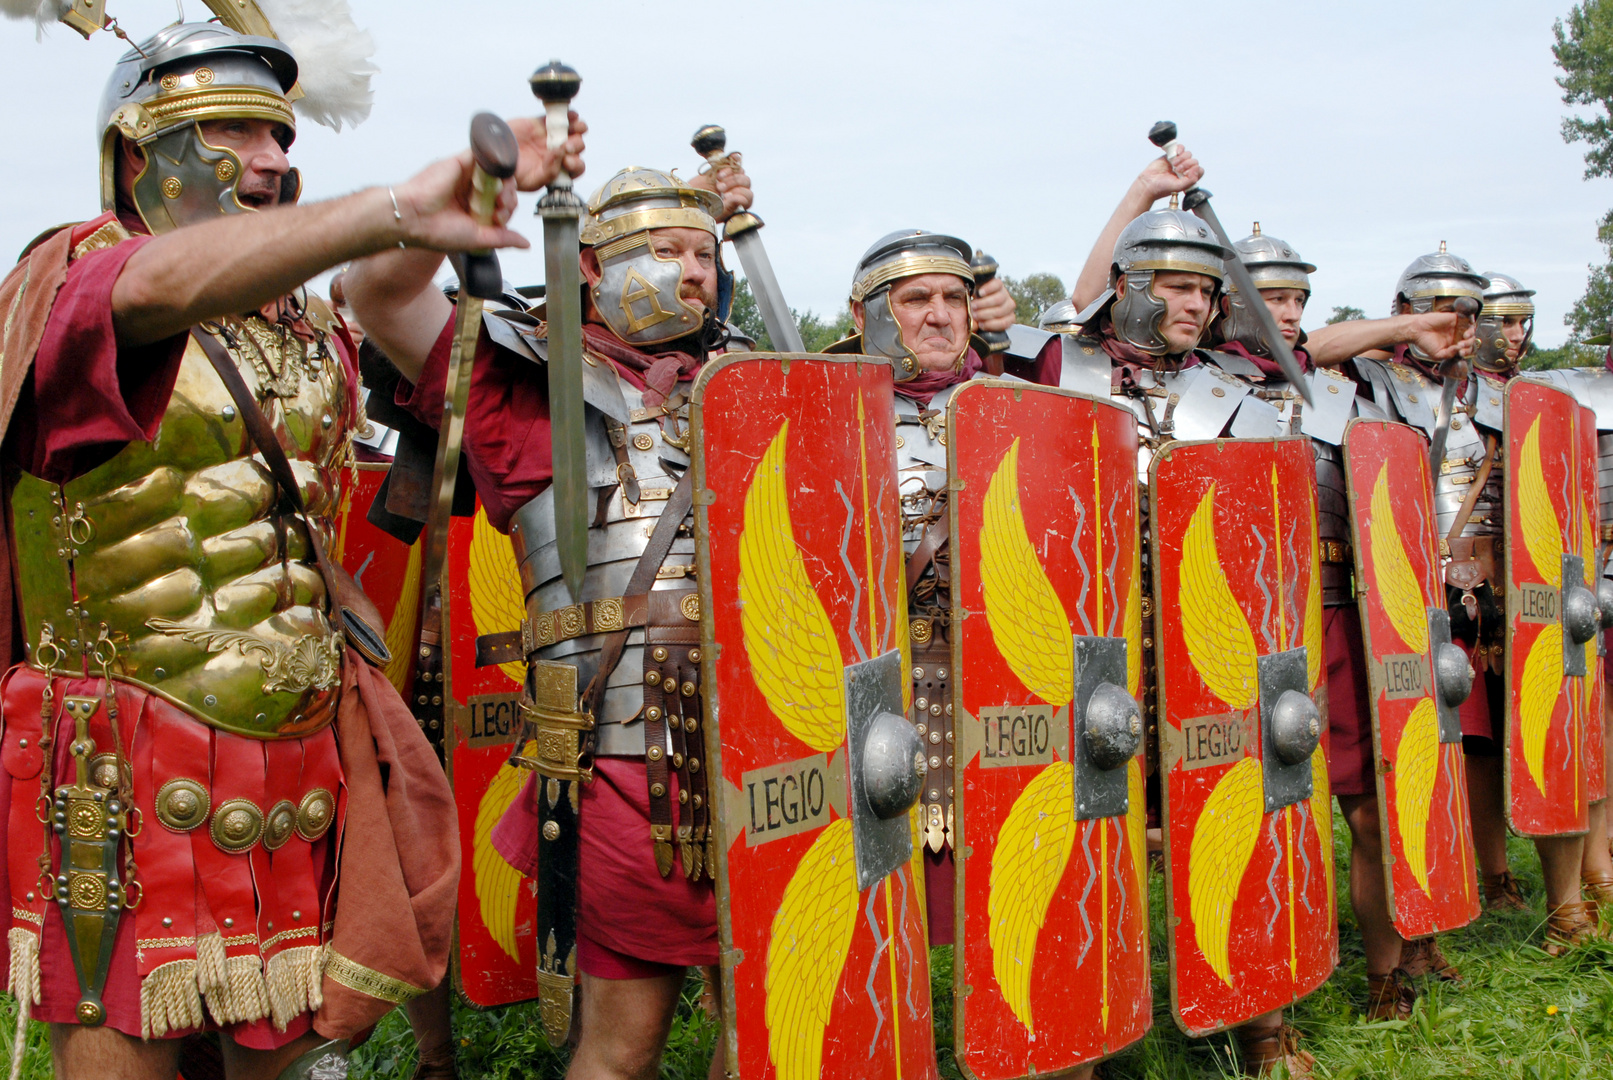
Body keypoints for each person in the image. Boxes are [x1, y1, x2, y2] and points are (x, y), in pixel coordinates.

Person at [0, 18, 581, 1079]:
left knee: (294, 1050)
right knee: (119, 1043)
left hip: (298, 743)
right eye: (232, 129)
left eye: (277, 132)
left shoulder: (304, 323)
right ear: (139, 151)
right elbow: (163, 289)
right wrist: (391, 207)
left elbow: (374, 334)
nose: (271, 157)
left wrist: (446, 219)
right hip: (127, 752)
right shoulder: (76, 275)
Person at [344, 161, 754, 1080]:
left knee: (770, 1026)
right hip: (623, 755)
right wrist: (457, 200)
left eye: (704, 251)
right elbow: (373, 292)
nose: (694, 271)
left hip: (770, 750)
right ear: (587, 269)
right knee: (624, 1043)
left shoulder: (748, 390)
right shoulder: (517, 385)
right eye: (663, 250)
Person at [1348, 259, 1613, 956]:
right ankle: (1477, 881)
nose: (1455, 325)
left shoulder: (1512, 397)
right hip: (1419, 593)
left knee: (1551, 734)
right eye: (1436, 310)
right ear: (1404, 309)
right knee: (1455, 748)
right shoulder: (1372, 384)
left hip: (1516, 590)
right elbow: (1307, 348)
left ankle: (1566, 905)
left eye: (1466, 311)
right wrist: (1403, 334)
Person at [821, 229, 1019, 951]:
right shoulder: (823, 412)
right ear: (863, 313)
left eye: (953, 298)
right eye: (915, 299)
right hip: (870, 694)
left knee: (1022, 894)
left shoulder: (1025, 411)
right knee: (858, 920)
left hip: (1003, 692)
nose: (938, 314)